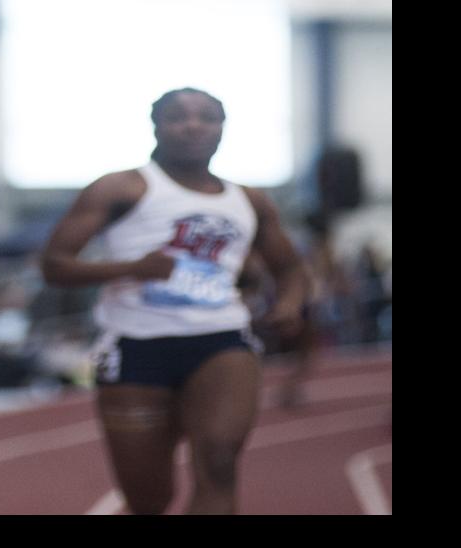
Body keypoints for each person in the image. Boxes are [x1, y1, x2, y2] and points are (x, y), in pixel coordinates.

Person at [41, 88, 309, 515]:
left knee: (220, 463)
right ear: (156, 126)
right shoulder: (122, 187)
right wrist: (132, 268)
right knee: (149, 498)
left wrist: (289, 304)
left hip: (220, 339)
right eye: (179, 117)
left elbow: (291, 268)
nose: (193, 126)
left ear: (222, 128)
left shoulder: (250, 200)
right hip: (135, 345)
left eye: (207, 117)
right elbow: (54, 265)